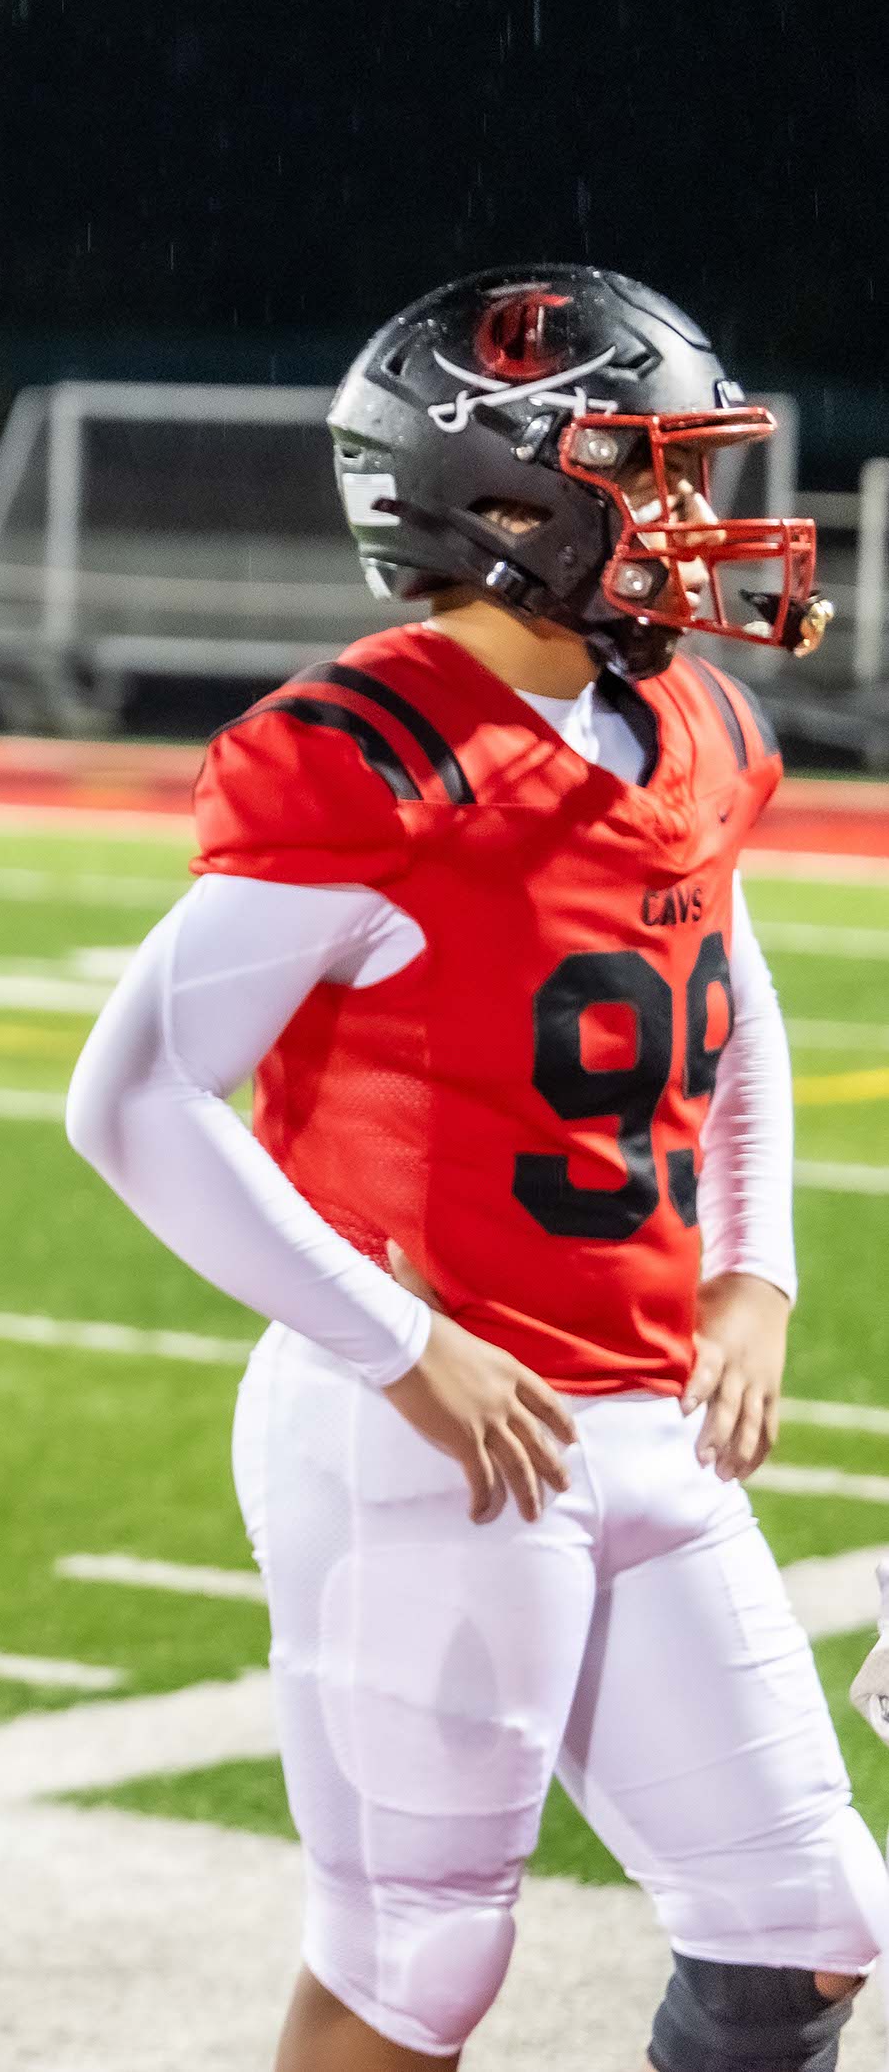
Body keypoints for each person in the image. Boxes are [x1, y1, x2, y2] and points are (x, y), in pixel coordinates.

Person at [64, 266, 881, 2072]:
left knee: (803, 1927)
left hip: (636, 1414)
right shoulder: (374, 752)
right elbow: (127, 1101)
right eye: (650, 473)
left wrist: (756, 1270)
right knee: (416, 1962)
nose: (702, 520)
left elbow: (723, 997)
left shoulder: (678, 725)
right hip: (429, 1428)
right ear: (511, 507)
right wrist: (397, 1345)